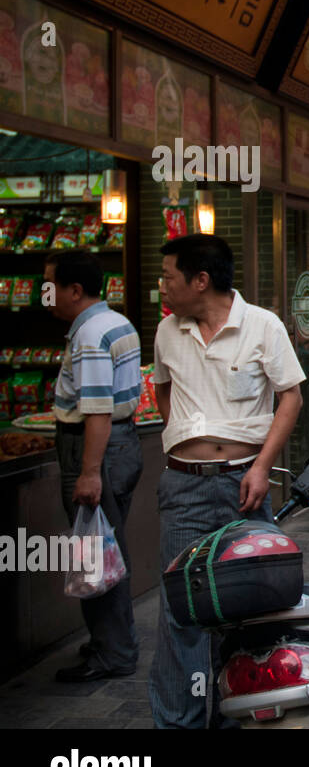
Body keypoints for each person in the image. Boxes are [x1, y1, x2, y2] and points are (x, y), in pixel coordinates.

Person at [149, 235, 305, 729]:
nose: (162, 285)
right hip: (183, 490)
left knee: (244, 603)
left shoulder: (263, 325)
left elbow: (291, 398)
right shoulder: (167, 332)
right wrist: (186, 443)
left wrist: (260, 467)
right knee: (181, 611)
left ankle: (237, 711)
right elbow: (163, 392)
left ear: (201, 280)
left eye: (169, 276)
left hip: (243, 485)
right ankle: (179, 723)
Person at [45, 250, 144, 684]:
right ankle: (112, 640)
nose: (44, 293)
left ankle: (114, 652)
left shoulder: (89, 334)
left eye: (49, 285)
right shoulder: (115, 322)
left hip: (96, 450)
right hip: (122, 446)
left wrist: (88, 472)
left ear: (74, 290)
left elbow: (98, 410)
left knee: (96, 554)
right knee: (108, 547)